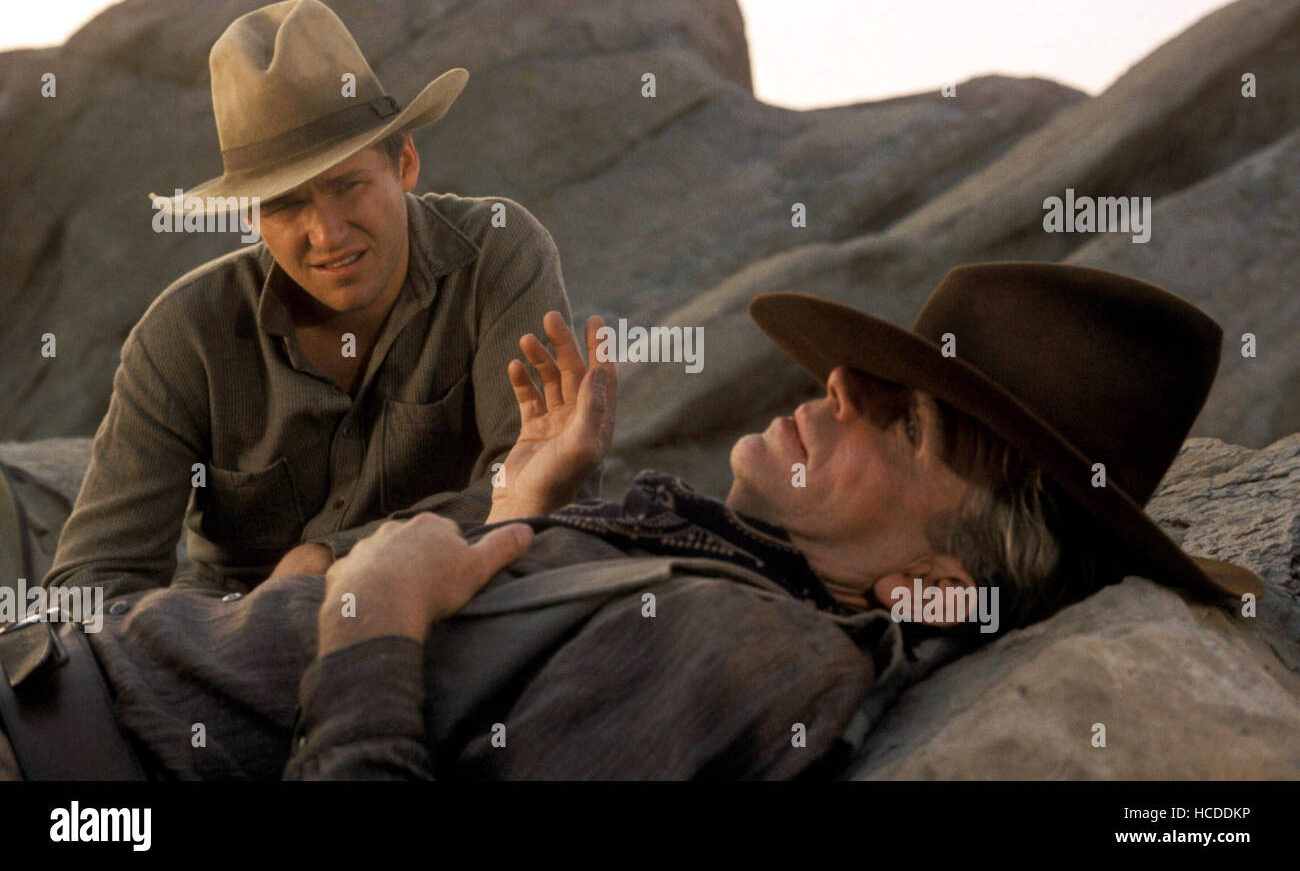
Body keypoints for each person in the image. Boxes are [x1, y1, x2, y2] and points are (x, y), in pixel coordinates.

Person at [2, 263, 1262, 780]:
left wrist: (365, 620)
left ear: (930, 580)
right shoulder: (709, 569)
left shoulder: (747, 656)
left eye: (899, 419)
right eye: (865, 372)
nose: (835, 390)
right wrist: (526, 513)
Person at [42, 0, 586, 602]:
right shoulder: (185, 333)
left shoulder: (495, 255)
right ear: (251, 215)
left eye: (347, 186)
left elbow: (539, 477)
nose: (326, 234)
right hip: (239, 648)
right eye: (285, 204)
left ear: (404, 163)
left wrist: (328, 558)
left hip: (468, 606)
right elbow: (87, 585)